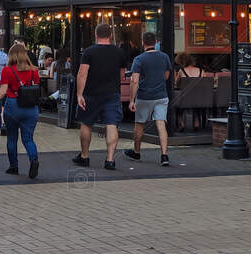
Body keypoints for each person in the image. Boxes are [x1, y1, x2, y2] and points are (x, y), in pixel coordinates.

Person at [73, 22, 126, 171]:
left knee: (86, 123)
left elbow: (82, 74)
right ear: (110, 35)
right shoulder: (119, 52)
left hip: (91, 93)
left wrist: (79, 94)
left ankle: (84, 156)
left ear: (96, 35)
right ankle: (110, 159)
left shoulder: (89, 52)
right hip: (112, 93)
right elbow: (122, 75)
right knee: (112, 124)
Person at [0, 40, 42, 179]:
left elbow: (3, 91)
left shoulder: (7, 70)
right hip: (31, 107)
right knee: (28, 138)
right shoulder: (34, 71)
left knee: (12, 138)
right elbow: (36, 88)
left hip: (13, 106)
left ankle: (13, 166)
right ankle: (34, 159)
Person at [127, 29, 175, 167]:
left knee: (139, 124)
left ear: (143, 43)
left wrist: (131, 100)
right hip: (161, 96)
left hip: (144, 97)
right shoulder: (164, 57)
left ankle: (136, 152)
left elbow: (134, 81)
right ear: (155, 42)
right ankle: (164, 155)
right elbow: (167, 76)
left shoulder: (139, 59)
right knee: (161, 124)